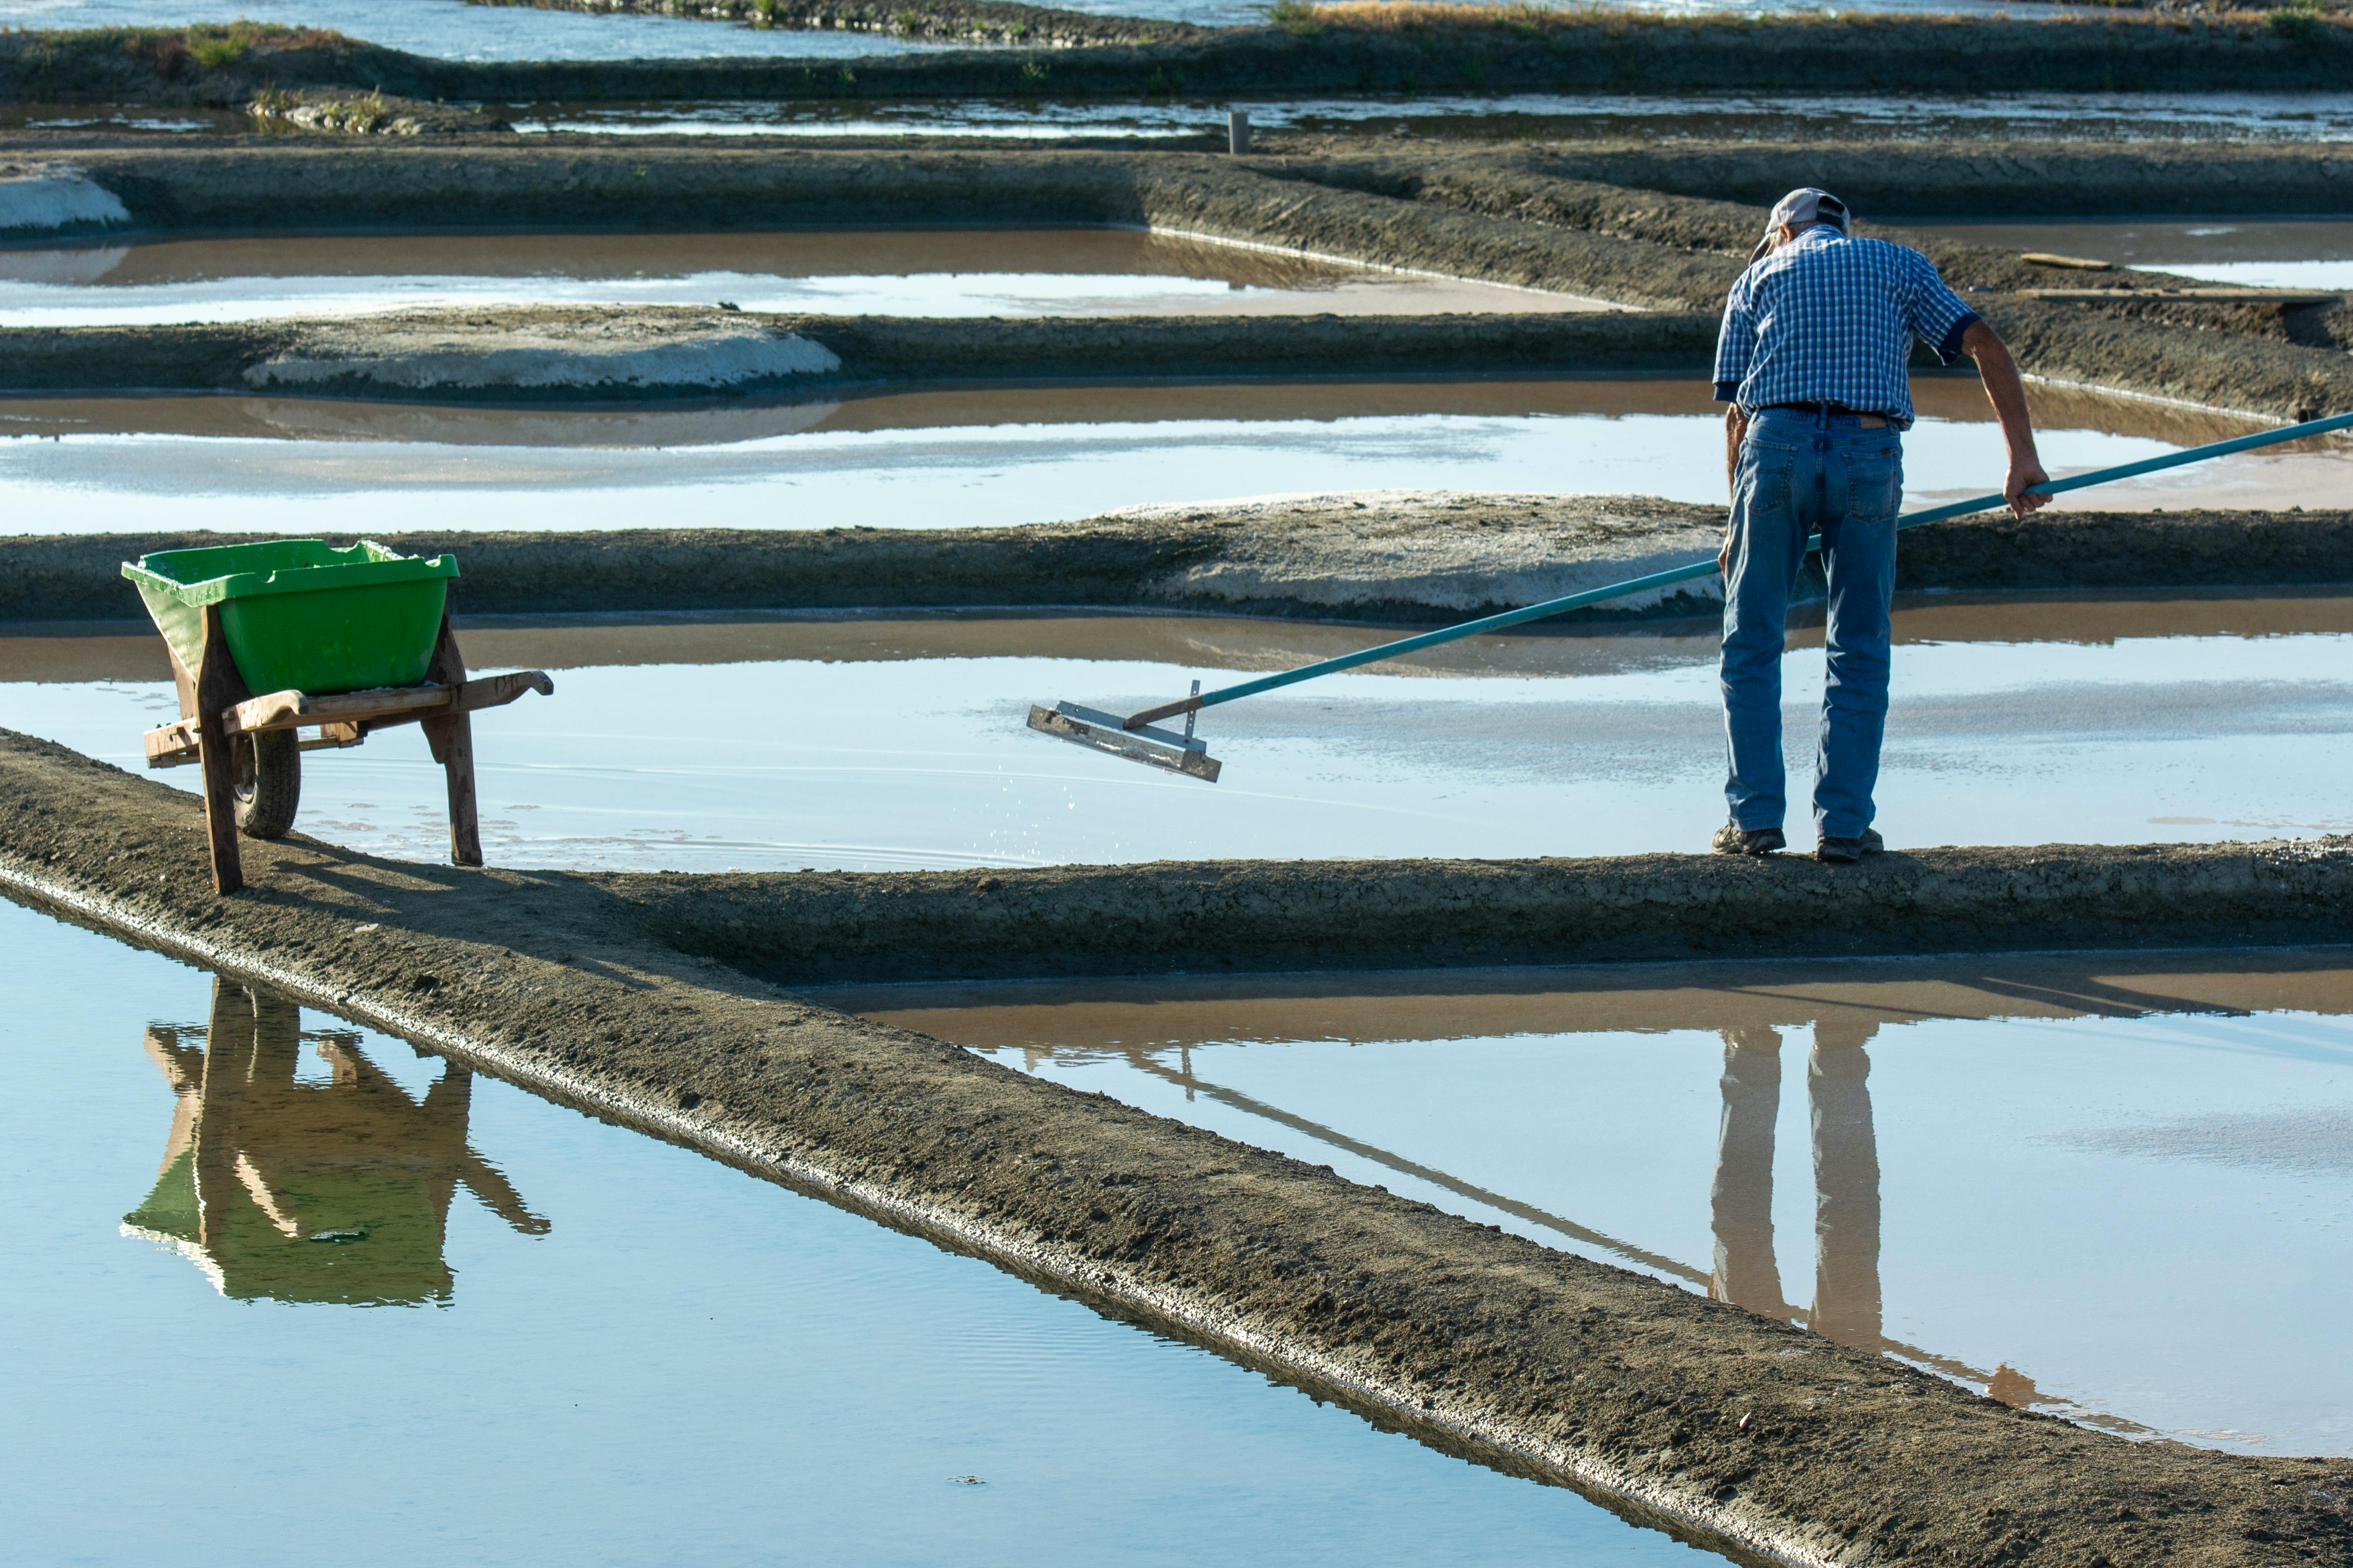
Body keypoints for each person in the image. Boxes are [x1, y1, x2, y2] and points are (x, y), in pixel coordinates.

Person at [1710, 188, 2049, 864]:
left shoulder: (1757, 277)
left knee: (1752, 639)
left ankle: (1753, 822)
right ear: (1840, 228)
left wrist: (1735, 528)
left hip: (1775, 450)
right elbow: (1984, 343)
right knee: (1858, 643)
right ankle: (1841, 827)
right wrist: (2023, 461)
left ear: (1783, 231)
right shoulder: (1898, 264)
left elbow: (1738, 415)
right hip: (1869, 452)